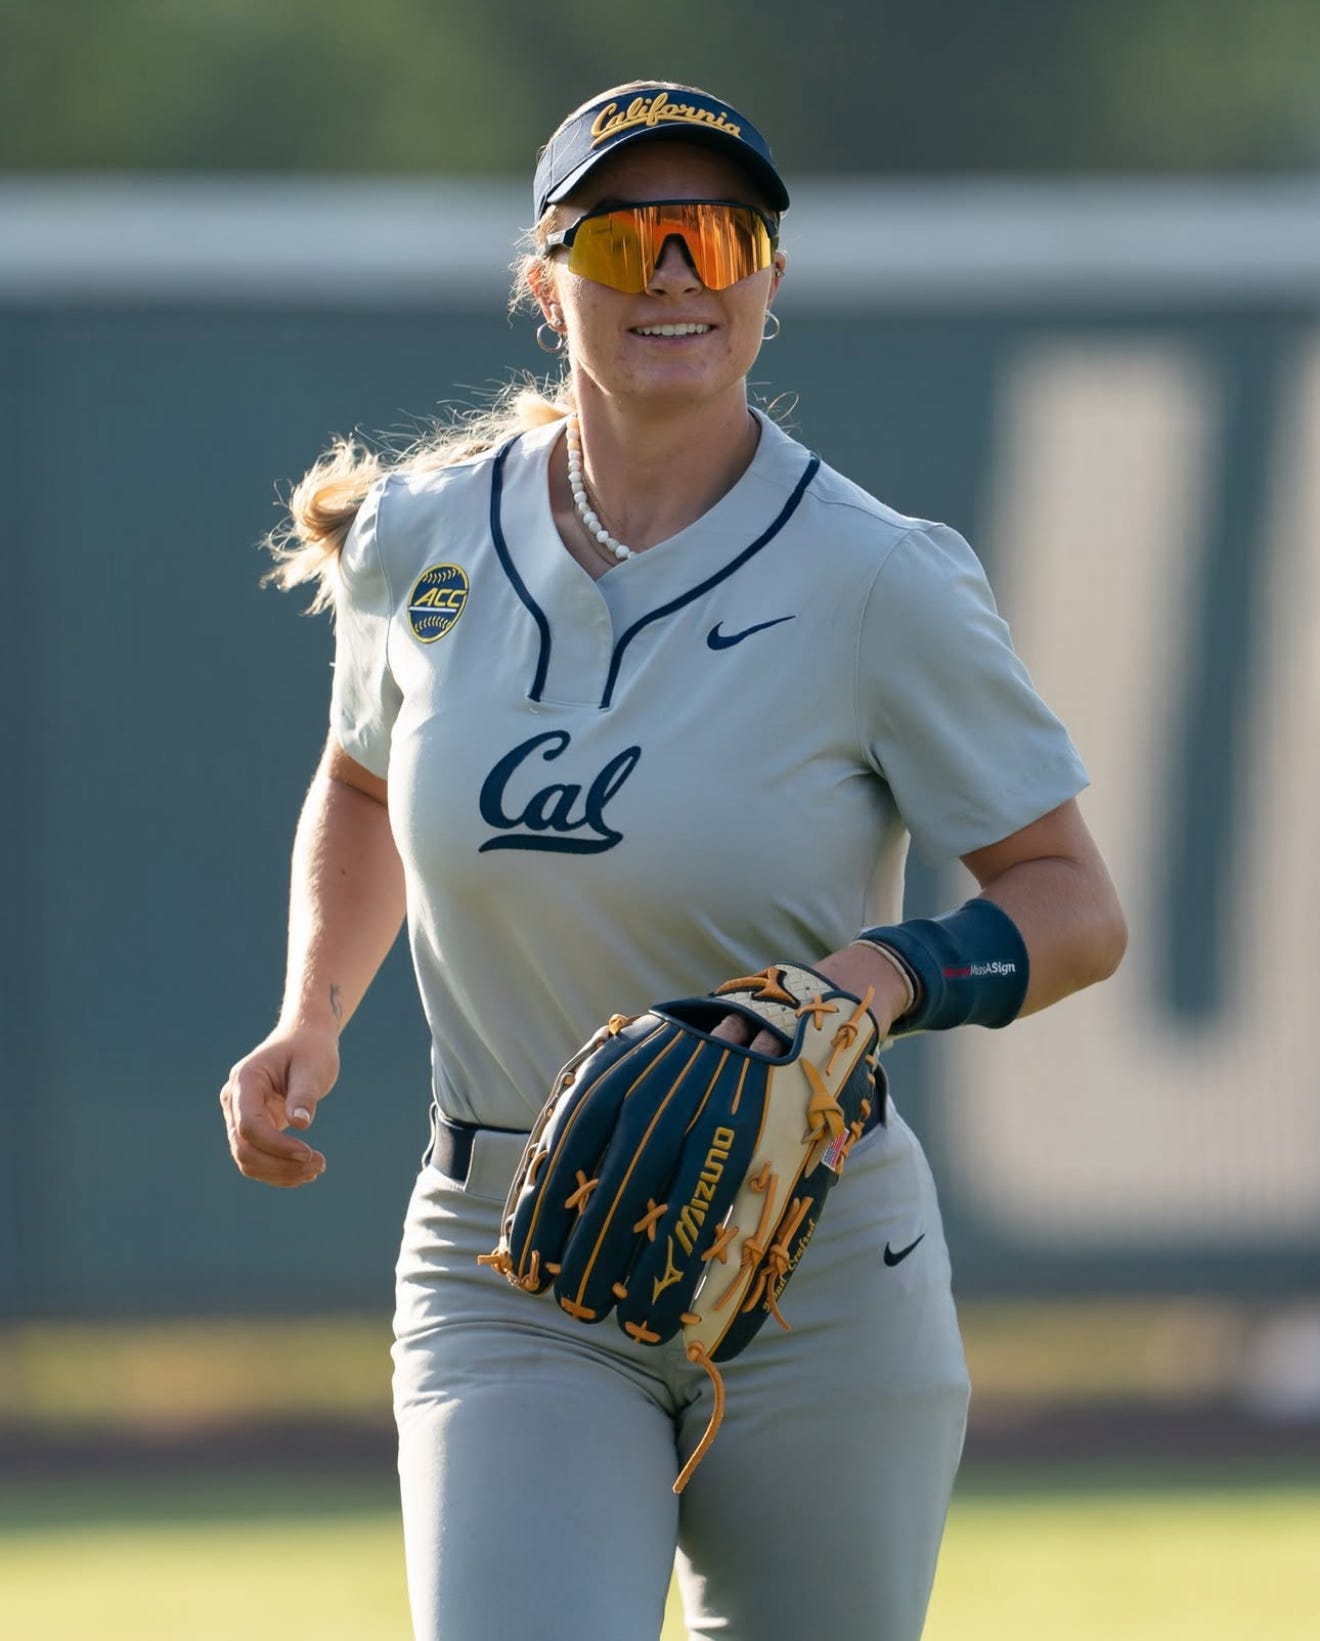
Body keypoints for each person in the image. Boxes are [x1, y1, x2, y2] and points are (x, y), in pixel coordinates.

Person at [220, 80, 1127, 1641]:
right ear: (544, 280)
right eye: (621, 238)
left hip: (814, 1256)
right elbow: (361, 783)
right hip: (509, 1251)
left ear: (771, 277)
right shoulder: (420, 542)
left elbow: (1075, 904)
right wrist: (312, 1008)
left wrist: (878, 975)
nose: (674, 274)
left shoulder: (880, 578)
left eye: (717, 234)